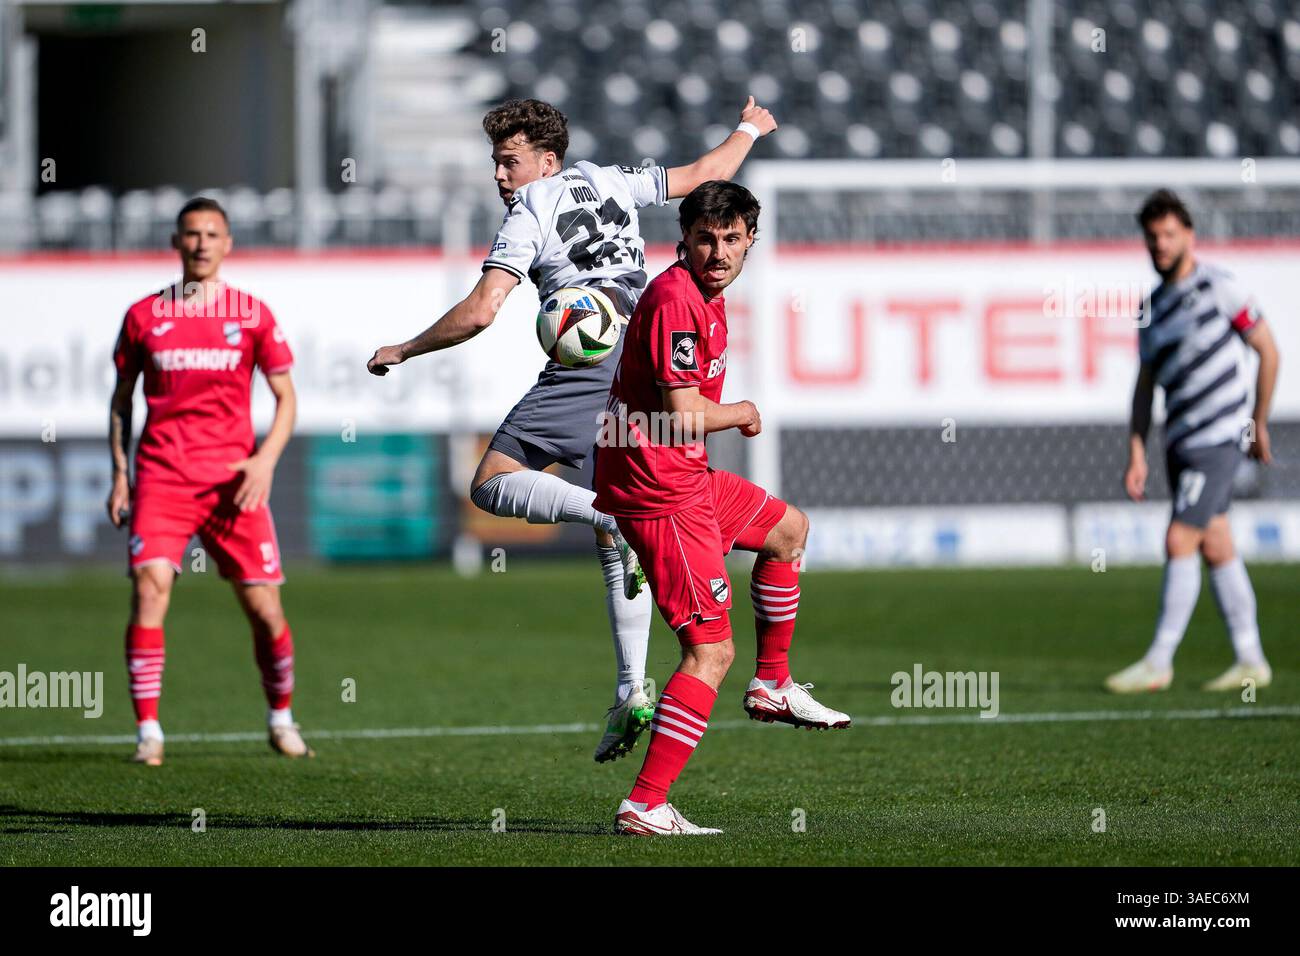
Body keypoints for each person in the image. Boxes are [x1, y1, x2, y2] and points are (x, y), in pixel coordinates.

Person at [366, 97, 777, 761]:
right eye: (496, 163)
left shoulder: (531, 209)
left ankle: (607, 518)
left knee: (493, 480)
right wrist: (750, 129)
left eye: (510, 161)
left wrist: (404, 350)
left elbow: (480, 311)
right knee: (622, 541)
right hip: (645, 360)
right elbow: (706, 171)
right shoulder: (611, 177)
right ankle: (629, 689)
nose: (500, 176)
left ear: (546, 160)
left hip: (589, 358)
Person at [594, 181, 851, 836]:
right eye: (706, 237)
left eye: (731, 238)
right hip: (660, 488)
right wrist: (741, 413)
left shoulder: (706, 296)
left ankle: (774, 683)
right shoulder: (678, 300)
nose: (718, 251)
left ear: (750, 240)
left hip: (684, 475)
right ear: (684, 237)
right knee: (709, 652)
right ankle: (646, 803)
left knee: (789, 531)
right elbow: (683, 415)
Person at [107, 197, 312, 765]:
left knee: (265, 609)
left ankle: (281, 718)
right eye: (190, 233)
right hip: (162, 477)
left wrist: (265, 459)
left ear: (228, 244)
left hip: (234, 482)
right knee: (150, 590)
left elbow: (286, 398)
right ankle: (149, 732)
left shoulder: (252, 314)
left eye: (211, 234)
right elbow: (122, 402)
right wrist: (121, 474)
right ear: (176, 243)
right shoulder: (144, 316)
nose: (200, 243)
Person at [1106, 189, 1280, 694]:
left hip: (1218, 438)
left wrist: (1257, 421)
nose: (1159, 244)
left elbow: (1268, 351)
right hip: (1178, 442)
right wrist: (1136, 450)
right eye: (1152, 237)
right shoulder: (1154, 307)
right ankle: (1251, 659)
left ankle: (1159, 661)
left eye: (1168, 234)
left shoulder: (1220, 288)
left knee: (1179, 538)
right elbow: (1144, 386)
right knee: (1217, 543)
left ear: (1189, 236)